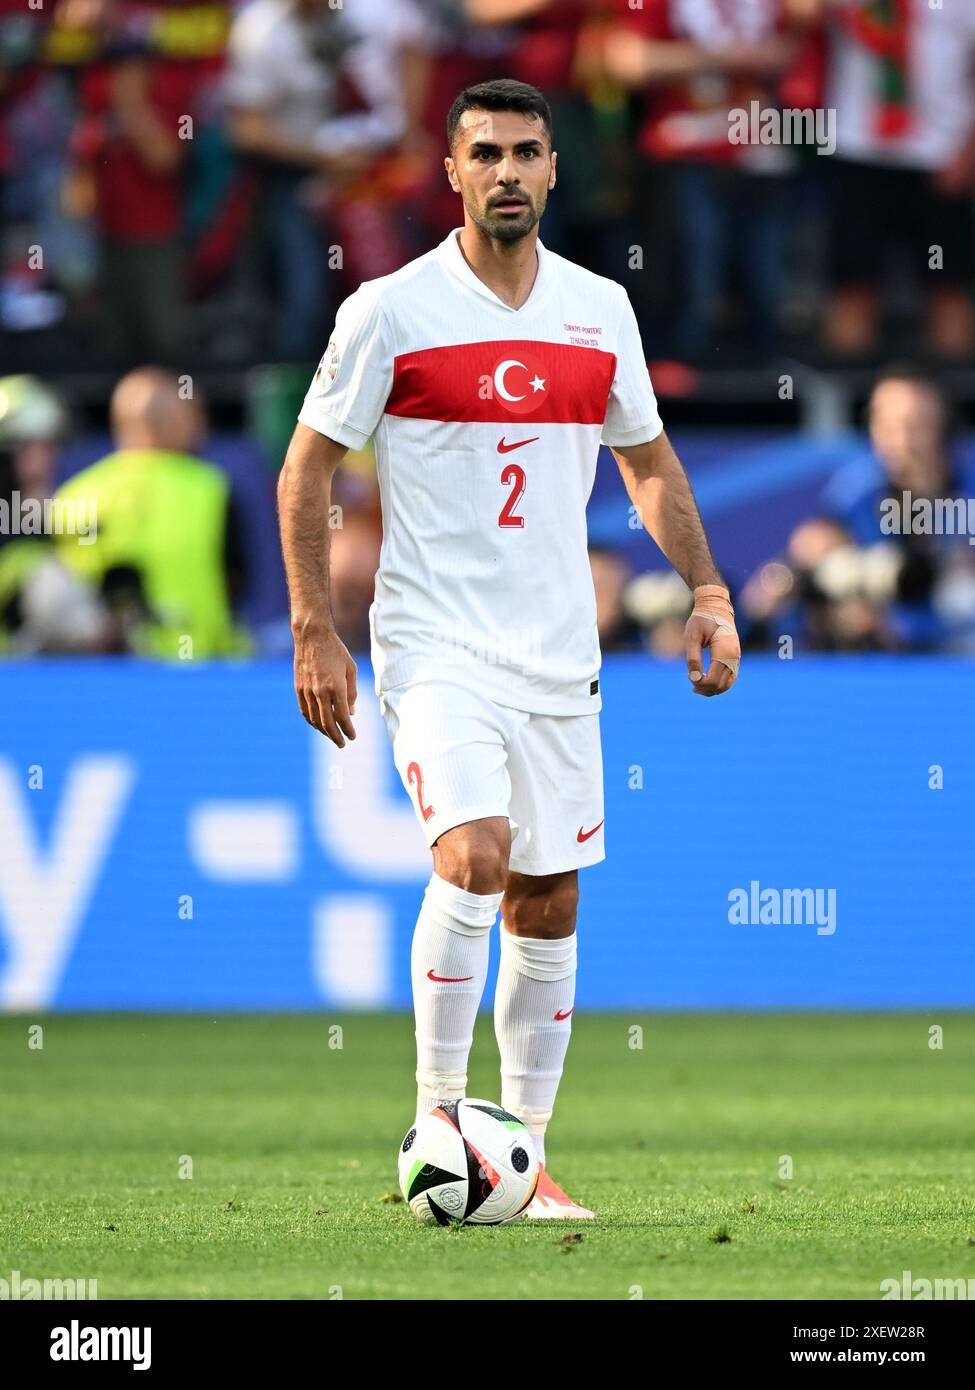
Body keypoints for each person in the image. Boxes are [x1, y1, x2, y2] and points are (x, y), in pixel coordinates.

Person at [277, 79, 740, 1219]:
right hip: (434, 644)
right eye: (483, 152)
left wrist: (709, 587)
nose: (506, 172)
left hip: (558, 655)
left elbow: (648, 466)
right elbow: (307, 472)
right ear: (451, 172)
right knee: (474, 855)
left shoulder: (600, 311)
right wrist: (314, 627)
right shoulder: (389, 310)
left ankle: (524, 1159)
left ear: (550, 171)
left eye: (526, 152)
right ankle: (438, 1120)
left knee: (547, 900)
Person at [55, 368, 251, 659]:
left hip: (97, 675)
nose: (202, 428)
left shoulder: (73, 494)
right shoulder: (212, 488)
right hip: (203, 669)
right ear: (171, 423)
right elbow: (237, 581)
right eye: (193, 415)